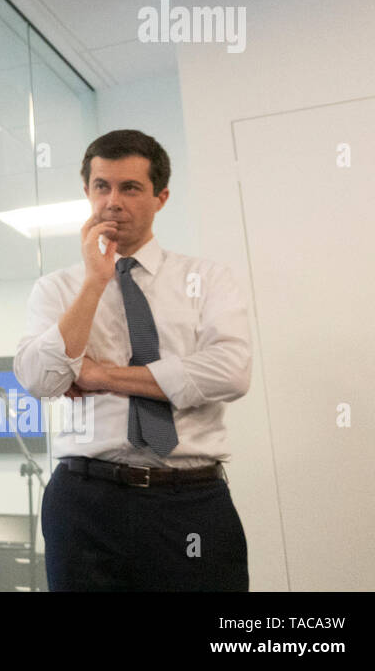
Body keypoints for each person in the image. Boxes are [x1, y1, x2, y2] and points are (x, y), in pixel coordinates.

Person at [13, 129, 252, 590]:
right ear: (87, 192)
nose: (112, 201)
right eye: (101, 186)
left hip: (190, 498)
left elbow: (231, 371)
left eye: (130, 188)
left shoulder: (206, 279)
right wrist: (94, 282)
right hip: (84, 501)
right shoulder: (56, 289)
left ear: (161, 197)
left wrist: (102, 374)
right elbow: (39, 378)